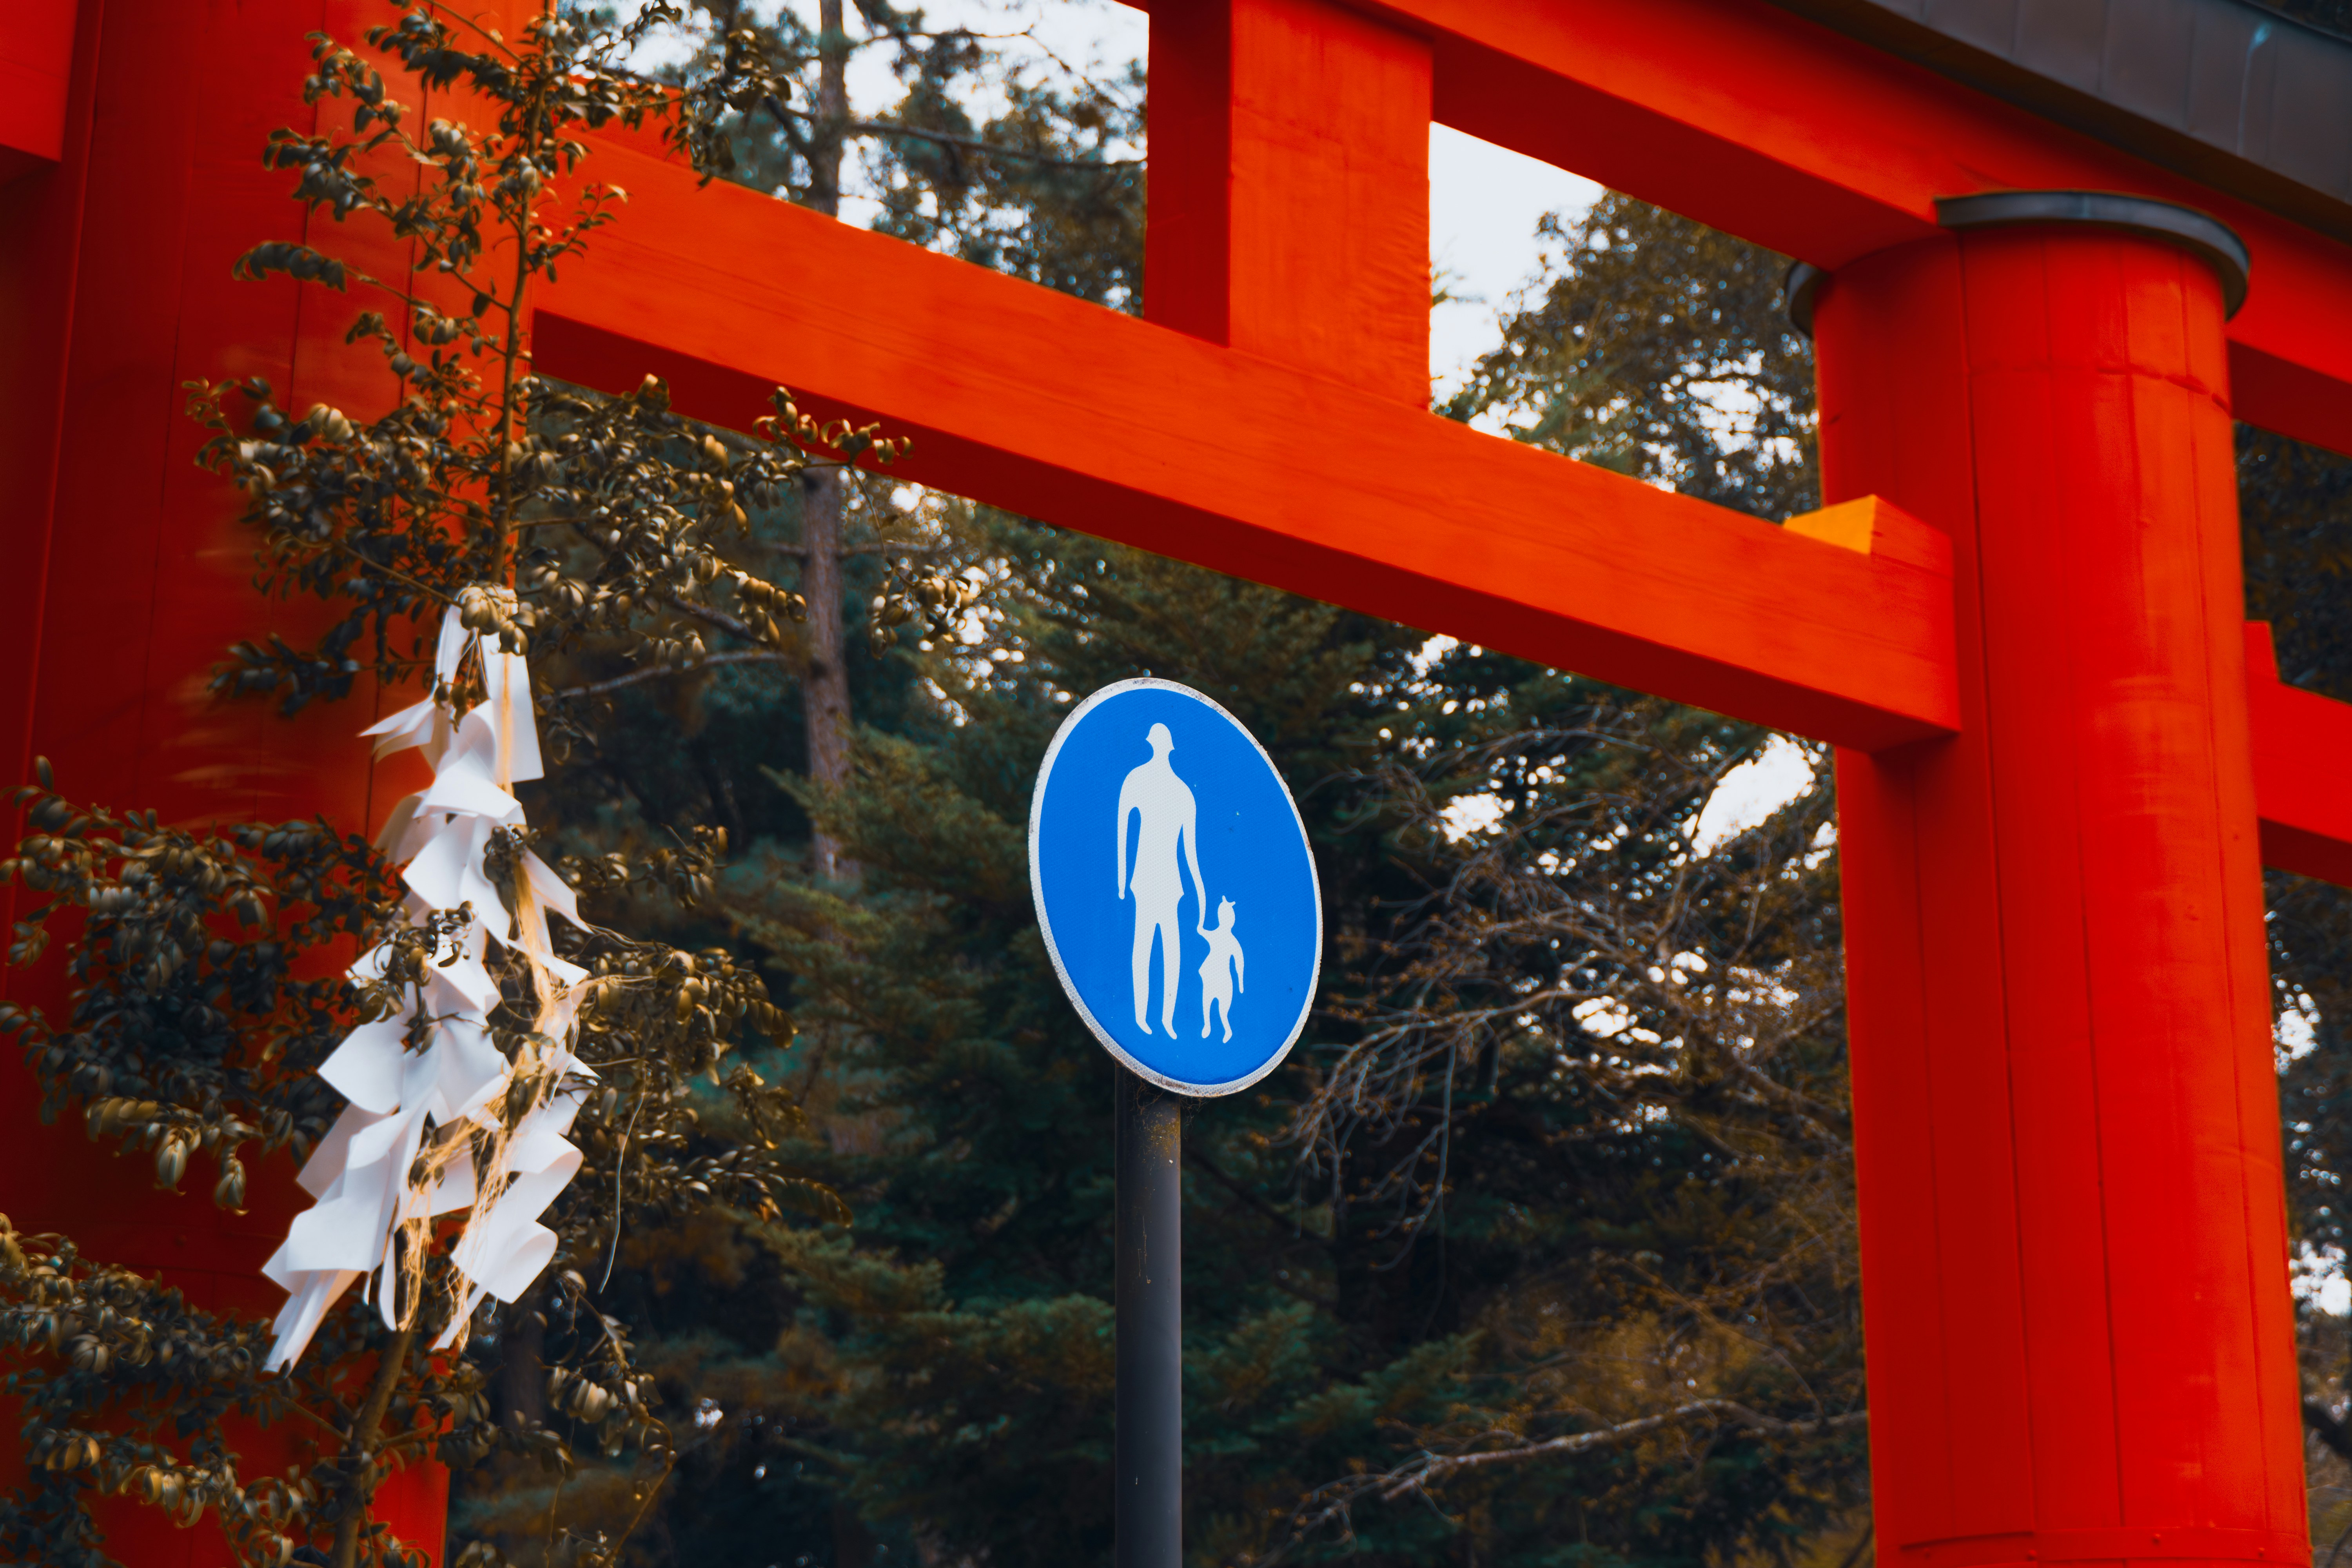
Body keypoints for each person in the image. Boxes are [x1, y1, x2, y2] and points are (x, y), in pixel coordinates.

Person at [1116, 722, 1205, 1036]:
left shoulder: (1182, 792)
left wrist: (1200, 892)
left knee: (1168, 948)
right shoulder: (1138, 780)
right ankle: (1144, 1018)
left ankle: (1165, 1019)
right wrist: (1122, 878)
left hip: (1169, 882)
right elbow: (1123, 828)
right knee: (1148, 947)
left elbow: (1190, 851)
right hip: (1147, 879)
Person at [1197, 897, 1244, 1041]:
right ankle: (1207, 1026)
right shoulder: (1215, 934)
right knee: (1207, 1002)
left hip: (1225, 978)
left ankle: (1227, 1030)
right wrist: (1200, 928)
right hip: (1210, 974)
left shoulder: (1232, 941)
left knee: (1223, 1009)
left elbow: (1239, 962)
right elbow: (1203, 932)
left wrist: (1241, 983)